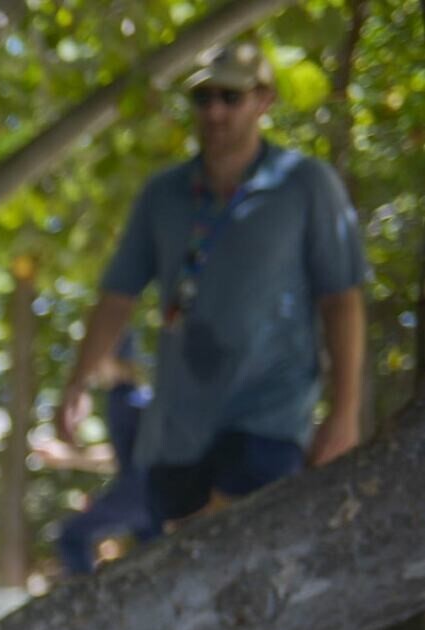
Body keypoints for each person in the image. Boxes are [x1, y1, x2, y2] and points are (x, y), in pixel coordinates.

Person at [56, 37, 368, 531]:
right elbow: (118, 296)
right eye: (204, 98)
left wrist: (345, 412)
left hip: (269, 422)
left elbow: (341, 299)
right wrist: (77, 382)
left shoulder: (305, 184)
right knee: (180, 582)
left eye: (231, 96)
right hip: (177, 434)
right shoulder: (163, 195)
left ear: (264, 100)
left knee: (250, 559)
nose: (216, 111)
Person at [49, 334, 156, 577]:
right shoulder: (129, 397)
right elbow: (121, 455)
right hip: (147, 497)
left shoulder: (127, 399)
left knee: (70, 536)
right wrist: (69, 457)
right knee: (153, 552)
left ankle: (85, 602)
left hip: (141, 494)